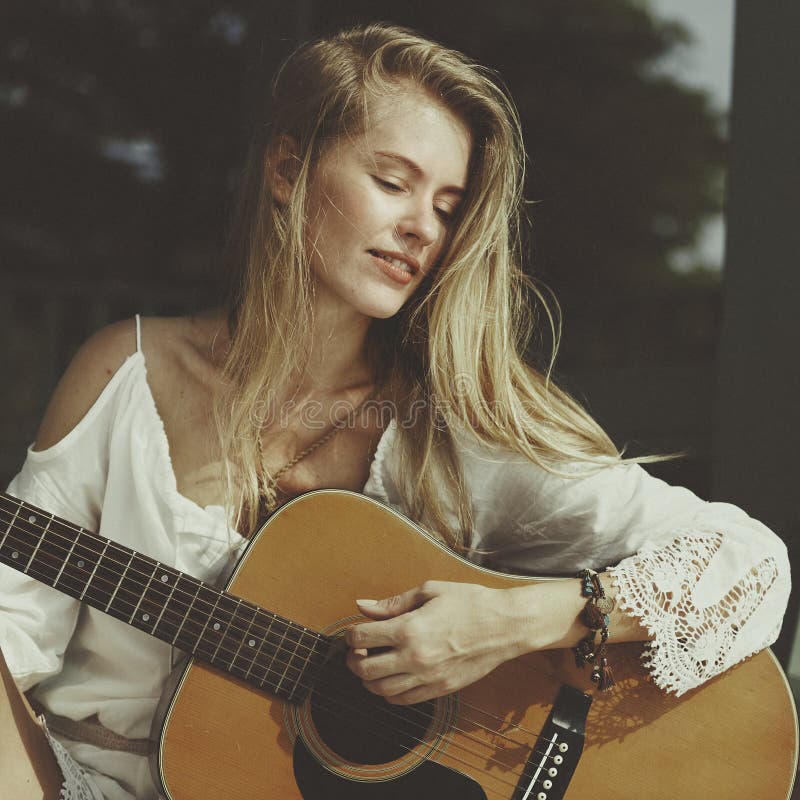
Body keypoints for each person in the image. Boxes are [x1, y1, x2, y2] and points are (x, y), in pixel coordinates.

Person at [0, 22, 790, 800]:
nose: (423, 227)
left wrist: (511, 623)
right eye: (392, 181)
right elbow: (13, 624)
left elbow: (750, 567)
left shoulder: (452, 433)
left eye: (448, 206)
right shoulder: (128, 370)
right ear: (286, 169)